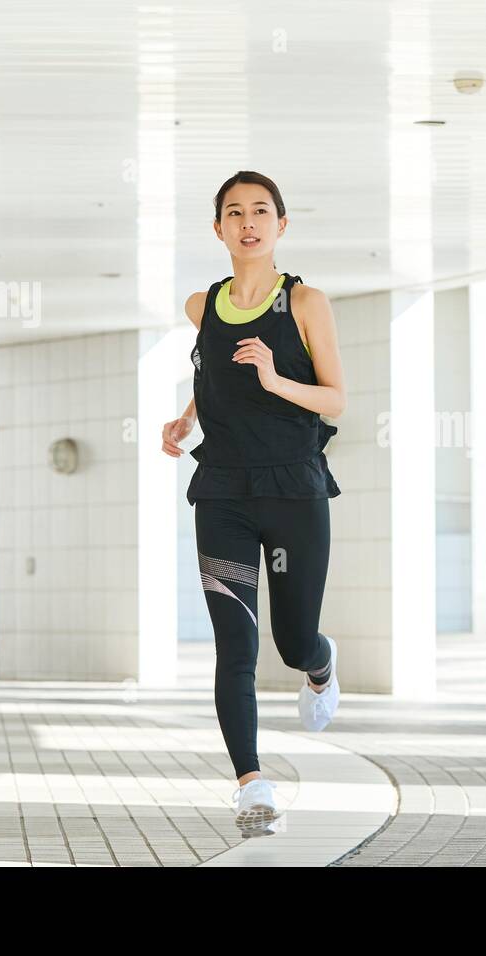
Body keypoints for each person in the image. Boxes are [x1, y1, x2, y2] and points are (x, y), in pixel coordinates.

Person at [160, 170, 345, 835]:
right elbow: (215, 373)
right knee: (234, 642)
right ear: (218, 229)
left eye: (261, 210)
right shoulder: (199, 306)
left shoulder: (306, 303)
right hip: (224, 494)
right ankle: (250, 783)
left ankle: (320, 668)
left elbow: (334, 400)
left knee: (292, 641)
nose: (248, 221)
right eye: (234, 212)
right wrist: (186, 419)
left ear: (281, 225)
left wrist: (273, 376)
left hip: (295, 488)